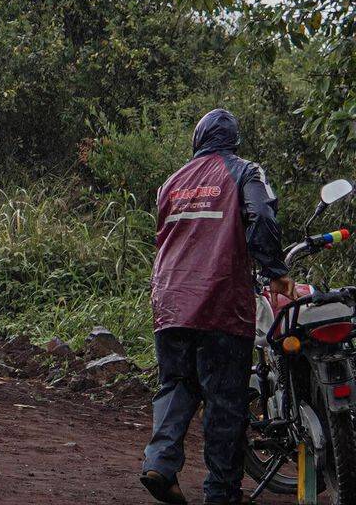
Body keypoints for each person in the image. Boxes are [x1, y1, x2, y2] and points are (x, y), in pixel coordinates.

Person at [140, 109, 294, 505]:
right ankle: (221, 493)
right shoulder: (244, 171)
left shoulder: (170, 182)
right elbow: (260, 215)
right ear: (234, 142)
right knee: (225, 402)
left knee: (176, 385)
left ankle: (160, 462)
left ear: (197, 140)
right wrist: (275, 270)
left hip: (169, 302)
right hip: (220, 304)